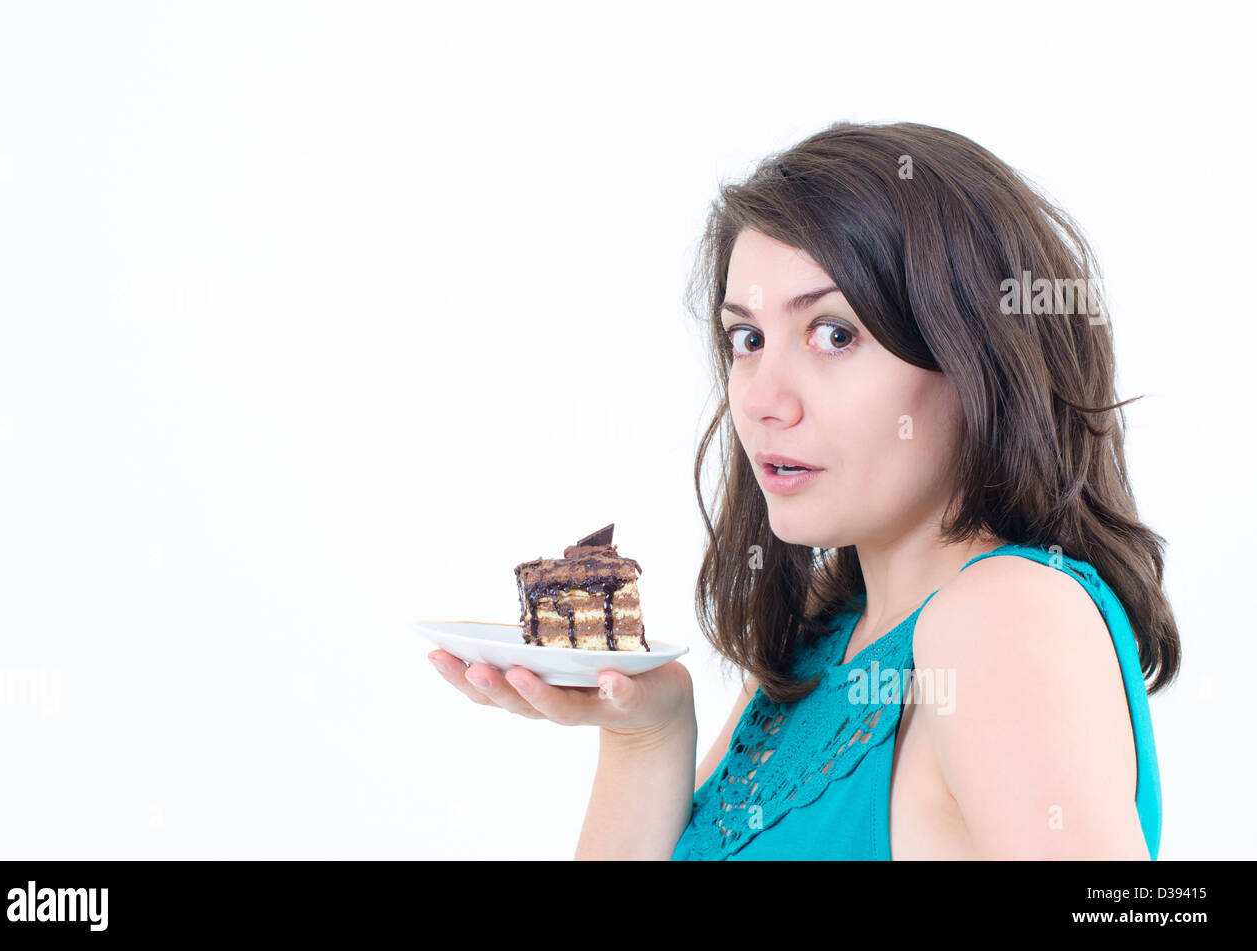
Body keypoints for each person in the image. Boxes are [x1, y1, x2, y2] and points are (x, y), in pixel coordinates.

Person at [427, 120, 1180, 860]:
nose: (760, 399)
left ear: (976, 358)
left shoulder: (1003, 616)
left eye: (834, 333)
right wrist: (645, 730)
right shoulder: (826, 631)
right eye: (747, 339)